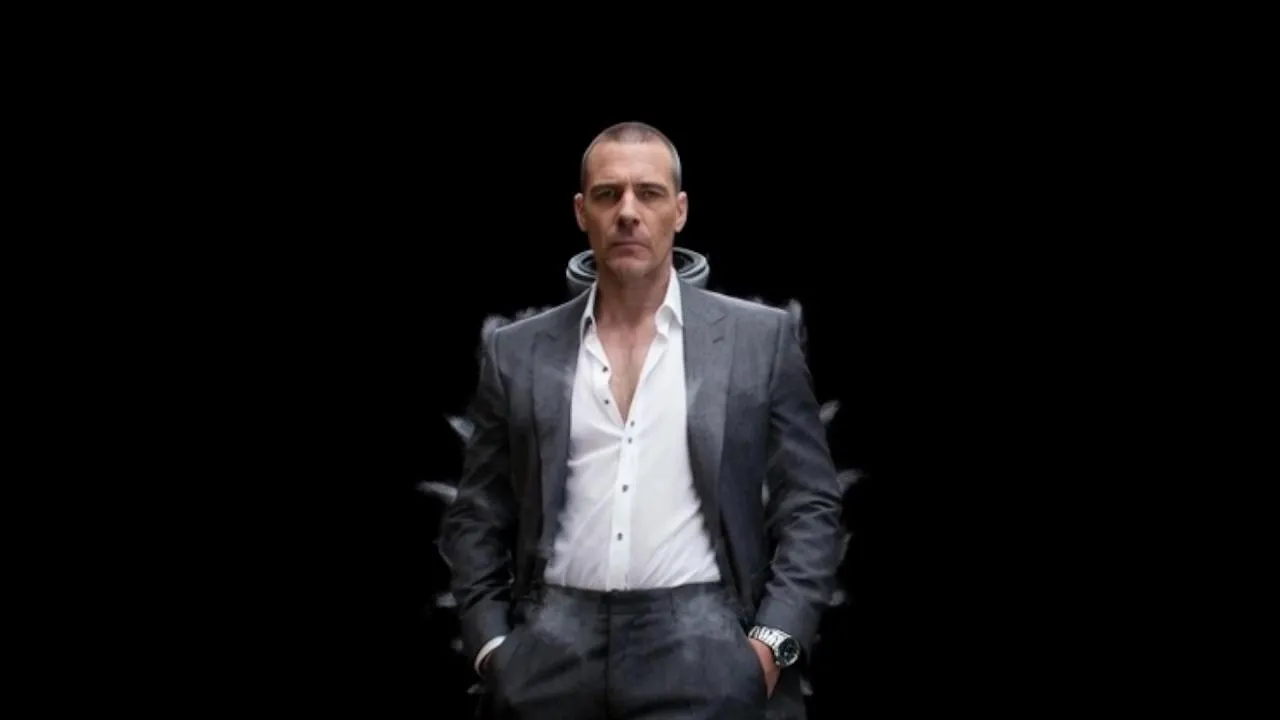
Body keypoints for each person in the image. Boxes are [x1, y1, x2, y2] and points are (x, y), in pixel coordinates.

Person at [439, 121, 844, 720]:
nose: (628, 212)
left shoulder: (759, 340)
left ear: (679, 211)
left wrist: (771, 644)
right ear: (582, 212)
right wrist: (493, 648)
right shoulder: (517, 351)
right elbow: (478, 512)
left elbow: (810, 503)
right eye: (609, 194)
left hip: (706, 650)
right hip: (549, 653)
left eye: (649, 193)